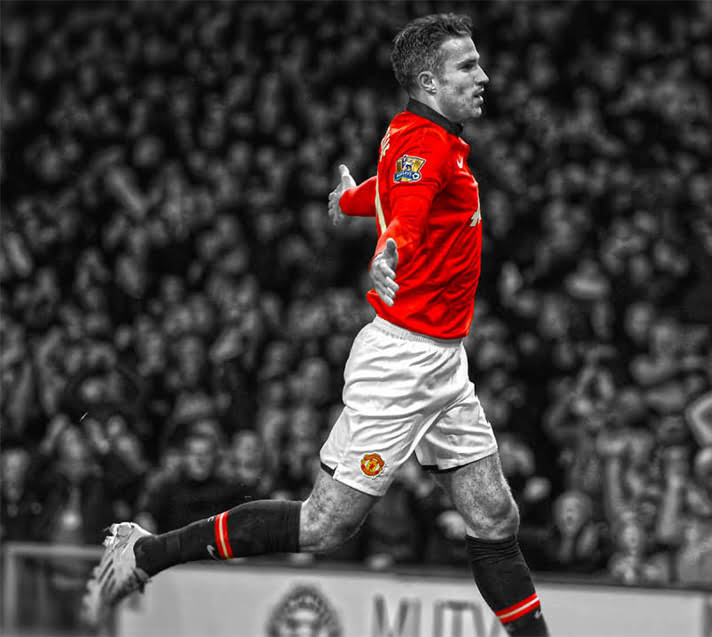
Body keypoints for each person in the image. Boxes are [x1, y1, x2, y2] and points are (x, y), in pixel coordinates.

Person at [83, 14, 549, 636]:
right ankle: (146, 553)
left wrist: (353, 200)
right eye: (468, 66)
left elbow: (402, 189)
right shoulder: (425, 145)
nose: (483, 75)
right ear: (429, 81)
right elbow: (409, 215)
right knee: (324, 525)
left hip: (443, 364)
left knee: (494, 517)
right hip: (403, 365)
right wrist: (388, 251)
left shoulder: (416, 133)